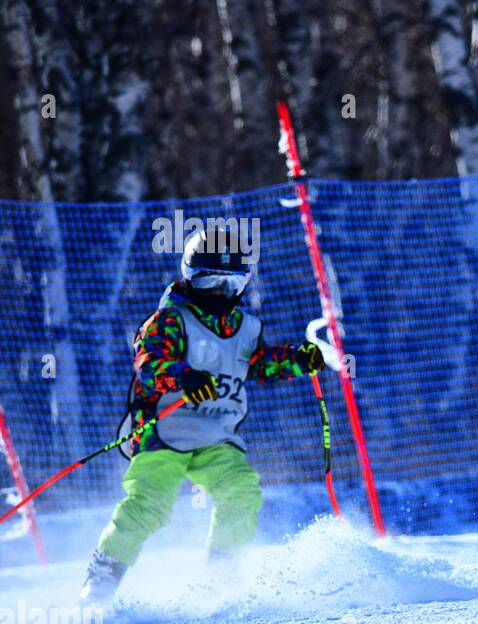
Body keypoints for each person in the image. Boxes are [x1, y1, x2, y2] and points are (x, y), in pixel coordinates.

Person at [79, 226, 325, 603]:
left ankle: (220, 578)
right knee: (149, 505)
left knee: (241, 493)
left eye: (231, 283)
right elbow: (149, 364)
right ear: (189, 276)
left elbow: (256, 364)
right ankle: (101, 580)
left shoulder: (245, 327)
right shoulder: (170, 321)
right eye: (210, 281)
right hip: (163, 431)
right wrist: (184, 376)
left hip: (215, 434)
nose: (220, 293)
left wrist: (297, 359)